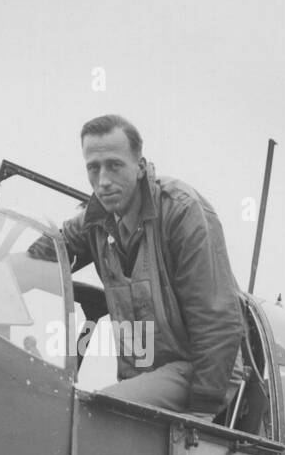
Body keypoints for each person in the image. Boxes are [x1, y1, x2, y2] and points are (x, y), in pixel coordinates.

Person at [24, 114, 244, 419]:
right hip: (145, 374)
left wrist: (200, 416)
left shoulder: (182, 212)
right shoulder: (97, 219)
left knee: (95, 416)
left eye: (114, 165)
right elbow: (48, 252)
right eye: (93, 168)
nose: (103, 181)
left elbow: (217, 319)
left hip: (199, 370)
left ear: (140, 167)